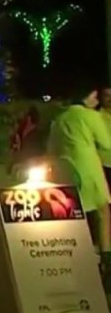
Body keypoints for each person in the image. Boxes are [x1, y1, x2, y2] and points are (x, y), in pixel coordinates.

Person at [47, 85, 111, 287]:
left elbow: (51, 147)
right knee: (102, 211)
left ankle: (78, 259)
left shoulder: (60, 118)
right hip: (88, 169)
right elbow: (107, 143)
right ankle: (107, 260)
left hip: (66, 170)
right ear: (90, 96)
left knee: (76, 215)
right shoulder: (89, 116)